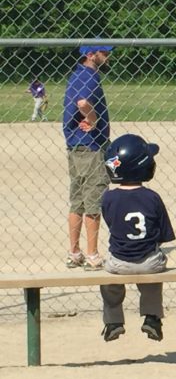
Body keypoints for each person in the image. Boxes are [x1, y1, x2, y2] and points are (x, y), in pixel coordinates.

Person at [100, 134, 175, 342]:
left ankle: (113, 321)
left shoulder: (108, 198)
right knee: (152, 274)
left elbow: (113, 226)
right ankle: (152, 318)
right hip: (148, 262)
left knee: (109, 279)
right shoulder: (152, 197)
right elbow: (162, 235)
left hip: (119, 262)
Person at [63, 44, 114, 271]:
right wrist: (92, 119)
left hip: (76, 147)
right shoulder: (89, 76)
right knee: (94, 201)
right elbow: (83, 103)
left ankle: (74, 253)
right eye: (105, 53)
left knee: (78, 201)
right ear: (92, 55)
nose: (109, 56)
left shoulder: (77, 74)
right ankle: (92, 255)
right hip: (91, 147)